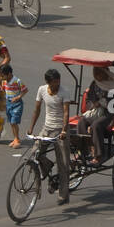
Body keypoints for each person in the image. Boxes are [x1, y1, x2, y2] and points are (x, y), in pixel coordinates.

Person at [29, 68, 74, 205]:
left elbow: (66, 112)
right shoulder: (42, 90)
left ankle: (63, 195)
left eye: (58, 81)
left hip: (60, 130)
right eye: (54, 82)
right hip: (46, 129)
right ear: (48, 82)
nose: (57, 83)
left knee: (63, 164)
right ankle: (47, 165)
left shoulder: (64, 92)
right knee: (34, 153)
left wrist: (64, 130)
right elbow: (37, 109)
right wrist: (31, 127)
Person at [77, 65, 114, 166]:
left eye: (98, 73)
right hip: (96, 111)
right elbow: (90, 99)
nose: (96, 75)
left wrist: (102, 103)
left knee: (96, 125)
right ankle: (83, 150)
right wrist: (94, 103)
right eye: (95, 72)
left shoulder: (113, 85)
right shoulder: (94, 84)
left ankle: (98, 155)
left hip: (109, 113)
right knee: (81, 122)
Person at [0, 63, 27, 147]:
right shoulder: (4, 82)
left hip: (17, 104)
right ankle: (15, 138)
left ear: (9, 74)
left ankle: (17, 139)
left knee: (14, 122)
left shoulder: (17, 81)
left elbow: (25, 90)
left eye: (3, 76)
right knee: (11, 122)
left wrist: (18, 97)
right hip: (8, 103)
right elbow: (3, 90)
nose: (2, 78)